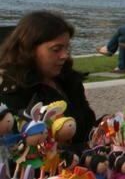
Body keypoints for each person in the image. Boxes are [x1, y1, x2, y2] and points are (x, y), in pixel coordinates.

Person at [0, 11, 96, 150]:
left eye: (66, 48)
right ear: (29, 49)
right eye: (56, 49)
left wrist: (106, 125)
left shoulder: (67, 79)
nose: (64, 55)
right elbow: (22, 149)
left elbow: (86, 123)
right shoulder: (12, 89)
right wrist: (86, 150)